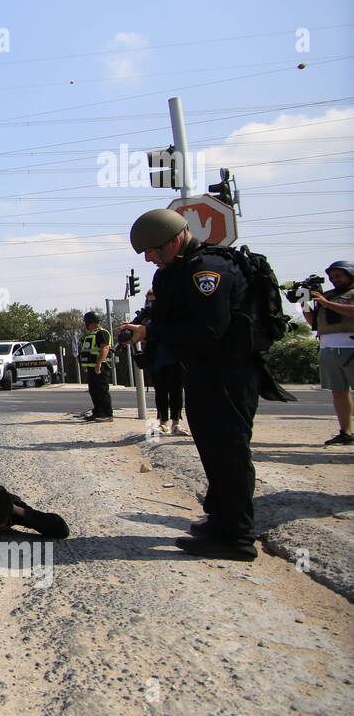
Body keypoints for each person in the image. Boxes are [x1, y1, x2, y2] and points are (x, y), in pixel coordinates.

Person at [121, 209, 261, 561]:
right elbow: (171, 314)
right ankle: (220, 521)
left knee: (229, 451)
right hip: (203, 372)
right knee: (213, 448)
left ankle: (237, 538)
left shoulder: (207, 270)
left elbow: (209, 330)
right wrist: (143, 325)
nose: (151, 258)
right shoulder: (177, 271)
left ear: (175, 239)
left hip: (230, 374)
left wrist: (150, 332)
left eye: (154, 250)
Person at [302, 259, 354, 445]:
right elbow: (313, 323)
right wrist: (305, 302)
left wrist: (326, 303)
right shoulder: (328, 295)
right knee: (338, 392)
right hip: (328, 347)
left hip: (351, 347)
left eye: (339, 276)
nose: (335, 280)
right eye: (332, 277)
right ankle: (346, 432)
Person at [144, 290, 184, 435]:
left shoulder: (173, 316)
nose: (151, 304)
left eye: (154, 301)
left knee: (176, 392)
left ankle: (176, 423)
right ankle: (163, 422)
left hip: (175, 359)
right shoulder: (147, 319)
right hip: (157, 360)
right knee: (160, 393)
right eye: (149, 301)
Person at [79, 311, 113, 422]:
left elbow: (105, 348)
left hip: (101, 366)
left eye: (86, 323)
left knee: (102, 391)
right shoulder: (92, 334)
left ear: (91, 322)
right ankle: (98, 412)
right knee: (94, 391)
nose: (85, 325)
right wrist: (85, 365)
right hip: (91, 367)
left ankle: (107, 414)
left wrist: (98, 363)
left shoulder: (102, 333)